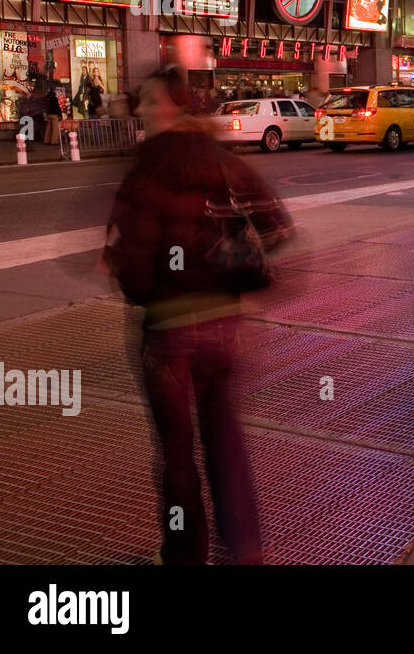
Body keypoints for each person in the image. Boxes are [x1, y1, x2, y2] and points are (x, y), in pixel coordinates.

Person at [103, 65, 292, 565]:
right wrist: (227, 266)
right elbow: (277, 225)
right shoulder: (224, 160)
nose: (140, 109)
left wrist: (129, 278)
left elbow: (136, 261)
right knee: (223, 435)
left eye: (148, 100)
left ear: (172, 106)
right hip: (224, 328)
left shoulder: (147, 169)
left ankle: (186, 554)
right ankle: (245, 545)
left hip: (168, 331)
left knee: (177, 452)